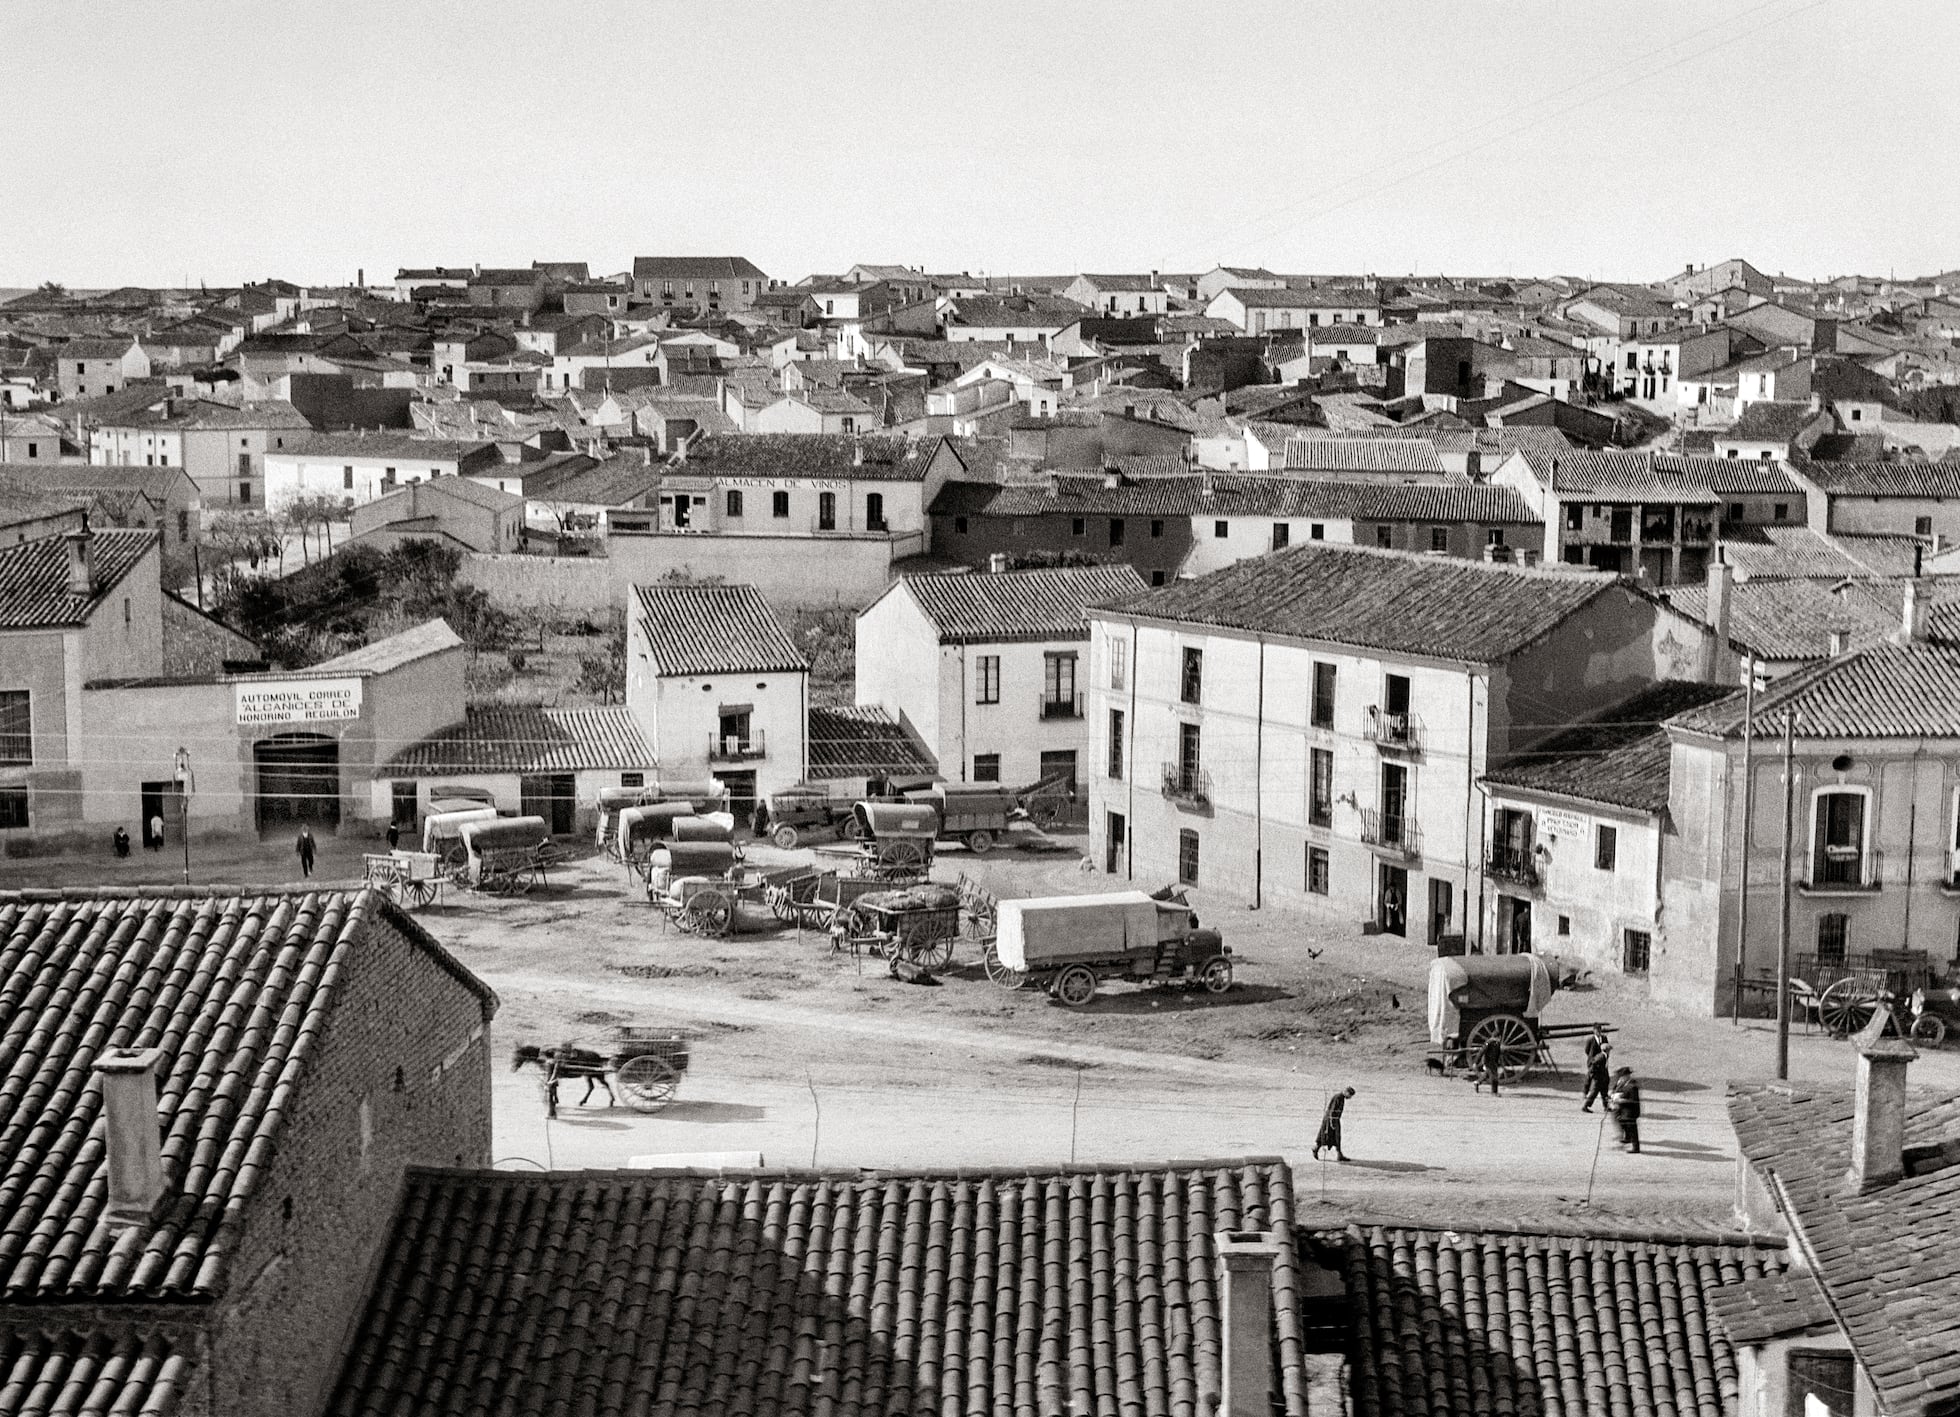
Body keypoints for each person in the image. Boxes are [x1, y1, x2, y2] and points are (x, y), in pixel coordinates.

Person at [1312, 1086, 1355, 1162]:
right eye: (1350, 1095)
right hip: (1330, 1120)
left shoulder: (1341, 1098)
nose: (1350, 1097)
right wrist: (1332, 1123)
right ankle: (1315, 1149)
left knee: (1336, 1137)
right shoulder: (1338, 1097)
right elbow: (1332, 1110)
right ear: (1346, 1092)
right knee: (1325, 1136)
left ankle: (1339, 1155)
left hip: (1334, 1119)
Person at [1608, 1067, 1642, 1152]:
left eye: (1622, 1077)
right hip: (1625, 1111)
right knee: (1625, 1124)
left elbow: (1633, 1100)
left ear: (1627, 1076)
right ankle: (1628, 1138)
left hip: (1631, 1112)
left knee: (1633, 1130)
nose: (1621, 1079)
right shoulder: (1625, 1084)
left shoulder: (1632, 1086)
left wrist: (1620, 1100)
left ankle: (1636, 1148)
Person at [1581, 1026, 1613, 1112]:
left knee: (1604, 1091)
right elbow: (1593, 1066)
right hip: (1598, 1077)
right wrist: (1594, 1075)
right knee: (1594, 1092)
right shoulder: (1601, 1057)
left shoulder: (1603, 1056)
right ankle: (1585, 1106)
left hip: (1602, 1076)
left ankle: (1606, 1106)